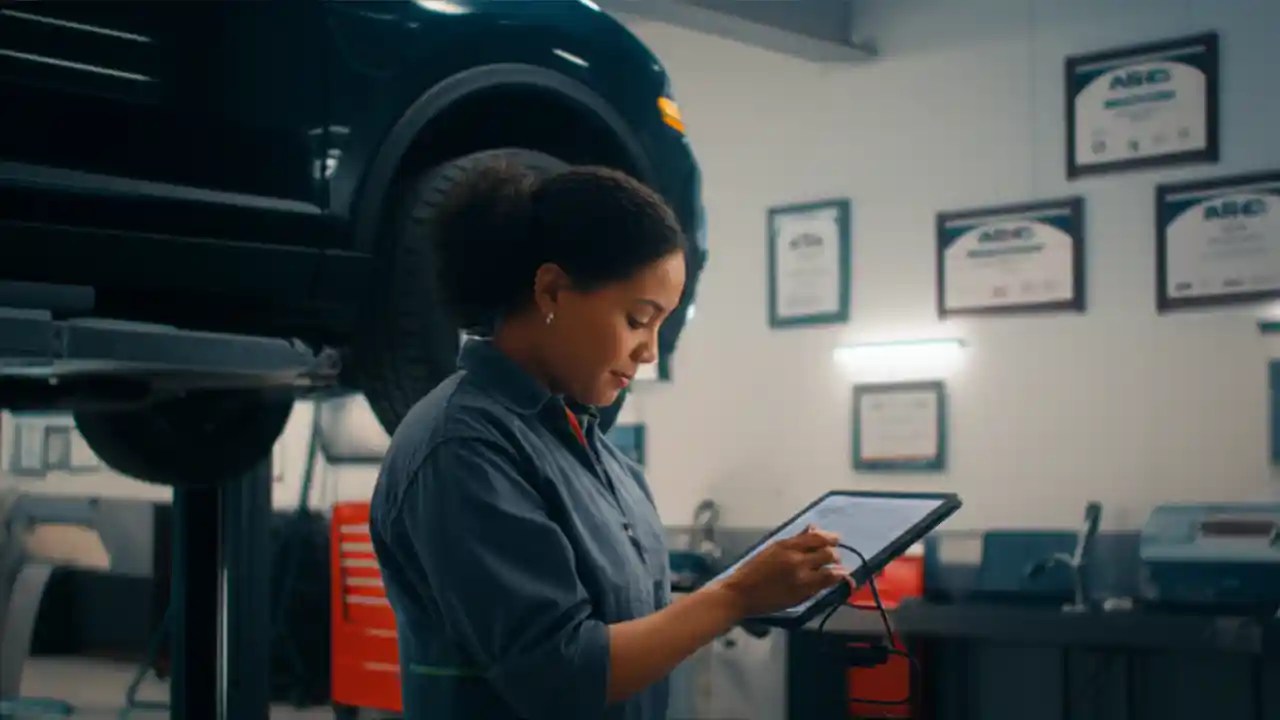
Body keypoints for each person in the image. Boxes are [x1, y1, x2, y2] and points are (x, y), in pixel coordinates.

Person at [368, 158, 848, 720]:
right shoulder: (461, 448)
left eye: (662, 326)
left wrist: (756, 589)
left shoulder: (591, 450)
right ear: (551, 291)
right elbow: (565, 674)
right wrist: (735, 596)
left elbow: (632, 623)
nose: (650, 352)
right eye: (639, 319)